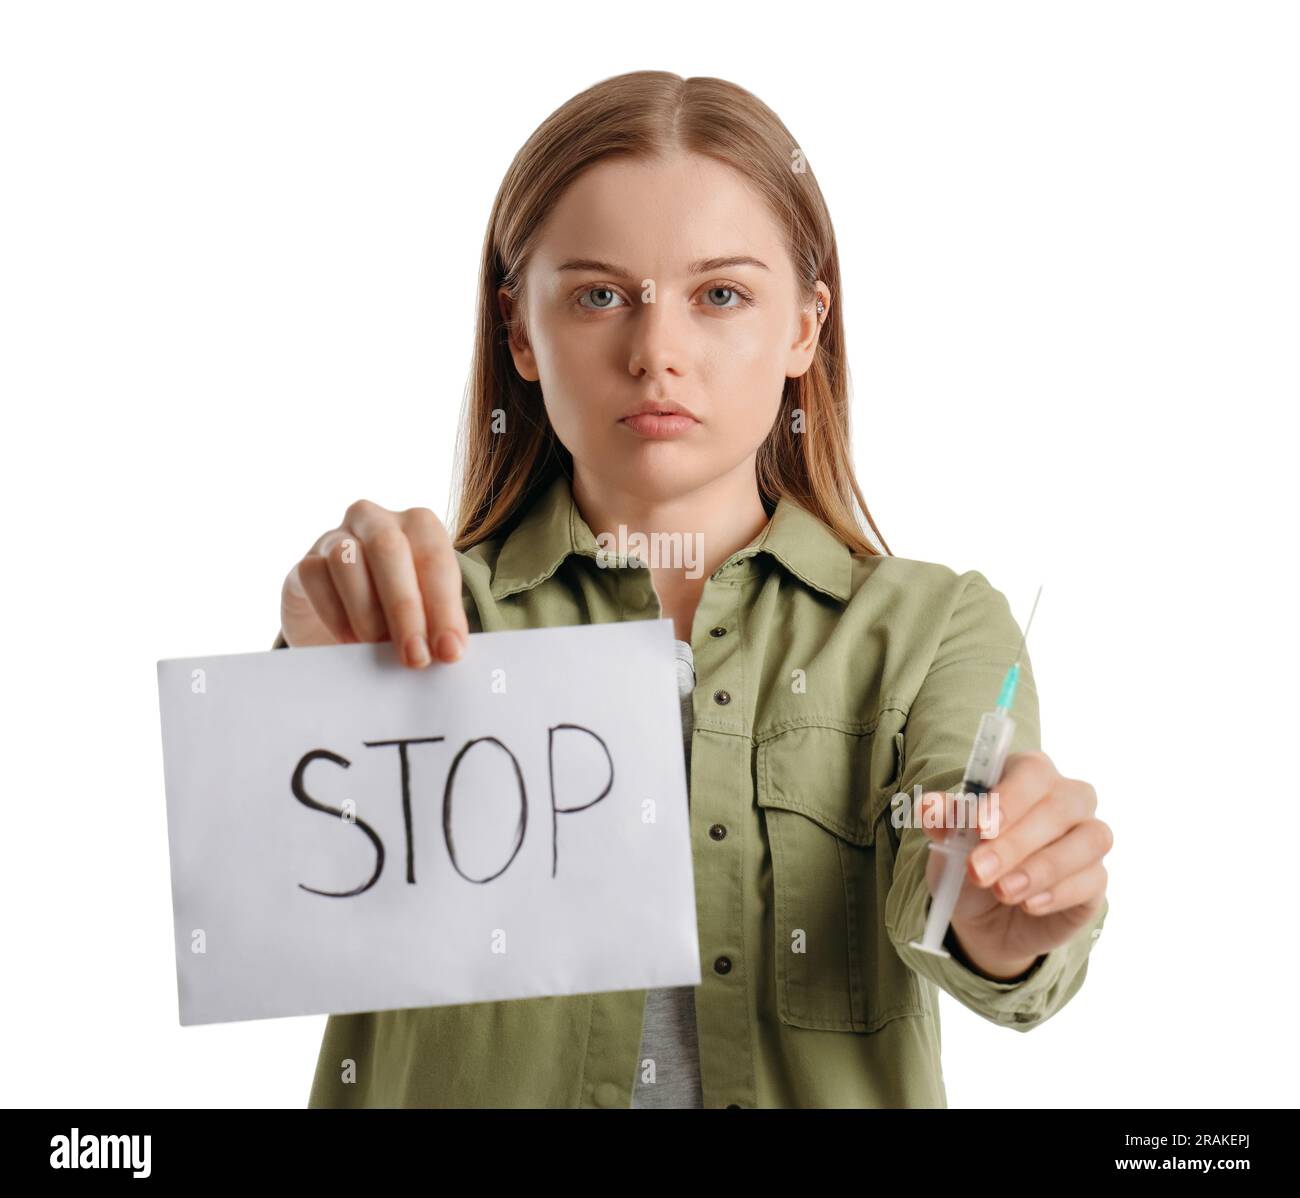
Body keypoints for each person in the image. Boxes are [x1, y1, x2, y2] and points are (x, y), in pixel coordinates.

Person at [273, 70, 1112, 1108]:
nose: (656, 352)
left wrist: (988, 920)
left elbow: (947, 850)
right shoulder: (416, 625)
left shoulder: (932, 631)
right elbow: (271, 907)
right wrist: (304, 692)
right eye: (597, 295)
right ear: (520, 332)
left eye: (720, 294)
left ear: (804, 327)